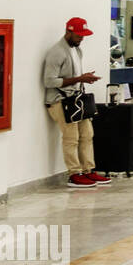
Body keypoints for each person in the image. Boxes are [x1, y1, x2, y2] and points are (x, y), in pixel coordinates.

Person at [43, 17, 110, 188]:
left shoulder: (77, 50)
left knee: (87, 135)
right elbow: (49, 81)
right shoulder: (57, 52)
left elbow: (73, 76)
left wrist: (83, 78)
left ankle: (88, 170)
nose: (82, 38)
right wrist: (80, 78)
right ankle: (74, 174)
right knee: (71, 138)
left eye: (83, 35)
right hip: (60, 101)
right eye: (79, 35)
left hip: (76, 99)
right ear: (68, 32)